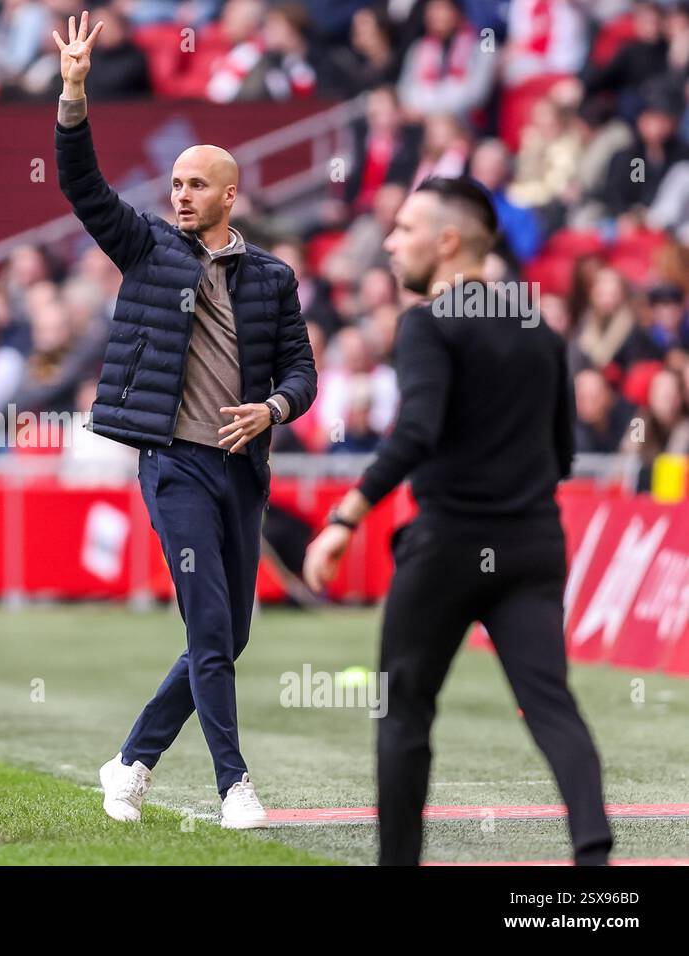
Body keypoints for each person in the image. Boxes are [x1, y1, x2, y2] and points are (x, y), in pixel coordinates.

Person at [52, 11, 317, 829]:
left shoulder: (271, 278)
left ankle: (131, 761)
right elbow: (82, 188)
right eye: (173, 184)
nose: (179, 194)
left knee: (228, 635)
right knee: (208, 624)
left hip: (242, 470)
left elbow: (303, 373)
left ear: (229, 194)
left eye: (195, 184)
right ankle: (233, 783)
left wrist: (271, 407)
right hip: (173, 466)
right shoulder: (147, 248)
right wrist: (73, 93)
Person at [303, 177, 613, 866]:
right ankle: (594, 856)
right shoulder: (540, 327)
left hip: (447, 545)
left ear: (447, 242)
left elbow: (414, 433)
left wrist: (345, 517)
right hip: (534, 544)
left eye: (404, 229)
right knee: (551, 705)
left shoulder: (428, 323)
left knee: (405, 711)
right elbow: (563, 454)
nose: (389, 241)